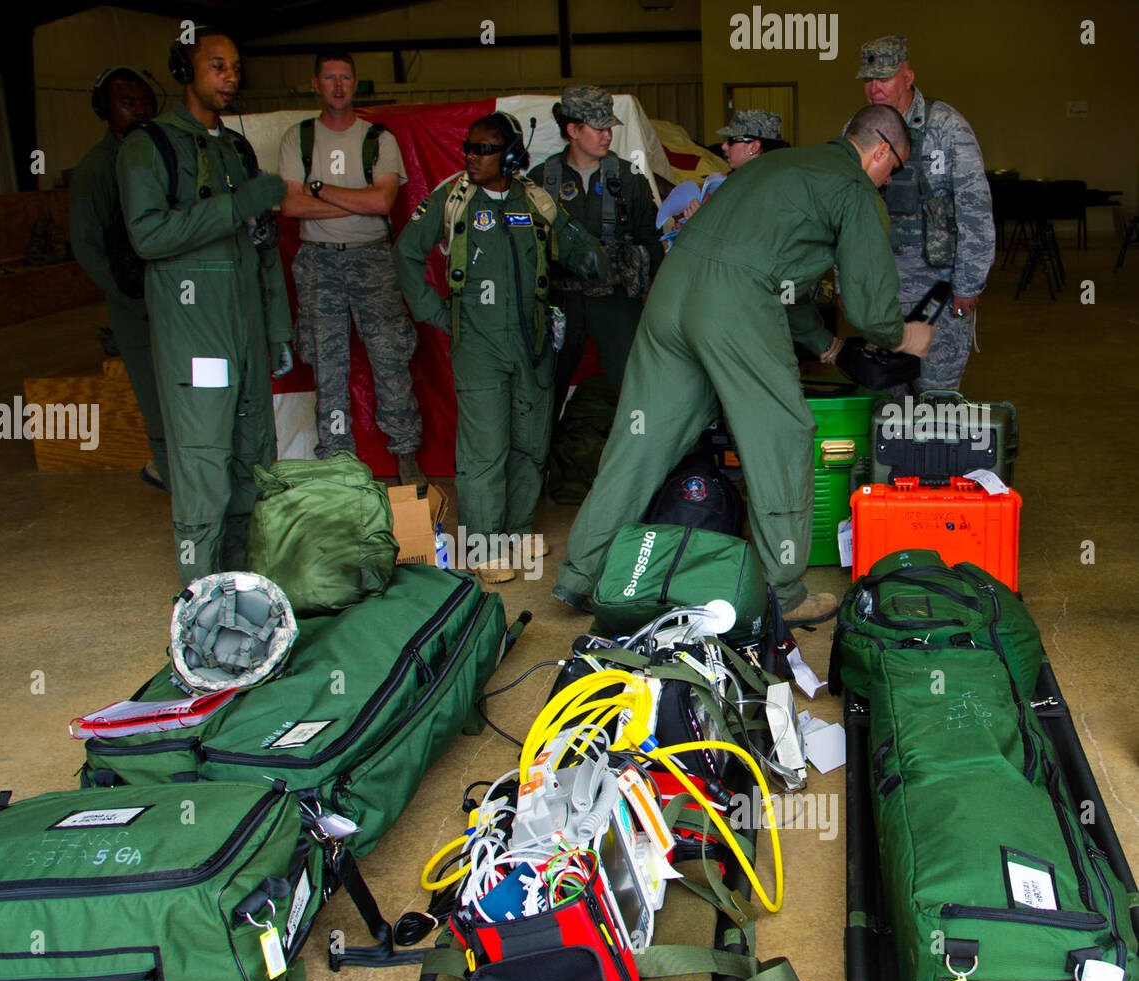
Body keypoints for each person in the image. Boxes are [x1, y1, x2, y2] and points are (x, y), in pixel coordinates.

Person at [553, 105, 937, 626]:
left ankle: (580, 573)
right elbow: (870, 309)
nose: (889, 180)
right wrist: (905, 336)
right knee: (784, 433)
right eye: (893, 168)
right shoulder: (852, 188)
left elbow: (779, 275)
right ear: (879, 151)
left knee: (640, 442)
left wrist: (825, 347)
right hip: (734, 307)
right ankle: (783, 589)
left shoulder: (775, 168)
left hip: (672, 297)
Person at [393, 113, 610, 584]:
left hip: (533, 341)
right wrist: (434, 311)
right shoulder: (454, 198)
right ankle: (482, 544)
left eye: (484, 148)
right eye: (468, 147)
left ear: (510, 155)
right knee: (484, 449)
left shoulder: (533, 198)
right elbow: (407, 252)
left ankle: (515, 530)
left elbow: (573, 242)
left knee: (530, 442)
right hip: (479, 343)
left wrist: (594, 254)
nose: (472, 156)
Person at [117, 28, 293, 586]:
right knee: (203, 465)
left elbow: (261, 247)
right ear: (185, 71)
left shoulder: (234, 149)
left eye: (236, 67)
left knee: (252, 460)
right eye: (217, 65)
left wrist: (278, 329)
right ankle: (200, 599)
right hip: (197, 342)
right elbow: (148, 236)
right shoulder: (150, 146)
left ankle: (245, 588)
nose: (230, 77)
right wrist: (236, 204)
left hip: (246, 332)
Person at [278, 51, 424, 486]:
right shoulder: (298, 138)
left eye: (345, 78)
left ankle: (406, 453)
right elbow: (288, 204)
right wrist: (351, 200)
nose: (338, 85)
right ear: (315, 84)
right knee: (329, 365)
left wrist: (319, 191)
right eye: (329, 78)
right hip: (318, 262)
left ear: (355, 84)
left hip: (373, 260)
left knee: (390, 359)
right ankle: (338, 463)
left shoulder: (377, 138)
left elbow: (381, 202)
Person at [850, 35, 994, 394]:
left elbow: (974, 207)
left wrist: (968, 285)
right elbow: (845, 212)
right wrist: (845, 282)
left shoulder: (946, 128)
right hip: (882, 295)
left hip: (939, 294)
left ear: (908, 76)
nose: (874, 88)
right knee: (888, 400)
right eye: (868, 79)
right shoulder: (858, 130)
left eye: (884, 78)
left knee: (936, 398)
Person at [527, 85, 663, 424]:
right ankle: (540, 467)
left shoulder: (629, 179)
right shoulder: (542, 179)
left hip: (615, 298)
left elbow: (651, 242)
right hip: (561, 301)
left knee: (635, 388)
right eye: (599, 127)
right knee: (544, 388)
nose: (607, 135)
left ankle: (645, 465)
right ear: (573, 130)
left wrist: (639, 279)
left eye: (609, 127)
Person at [70, 67, 169, 492]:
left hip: (176, 296)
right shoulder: (96, 169)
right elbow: (87, 247)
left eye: (146, 102)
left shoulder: (162, 152)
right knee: (155, 395)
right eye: (128, 103)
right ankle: (170, 474)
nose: (140, 111)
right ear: (104, 109)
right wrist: (132, 296)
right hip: (135, 303)